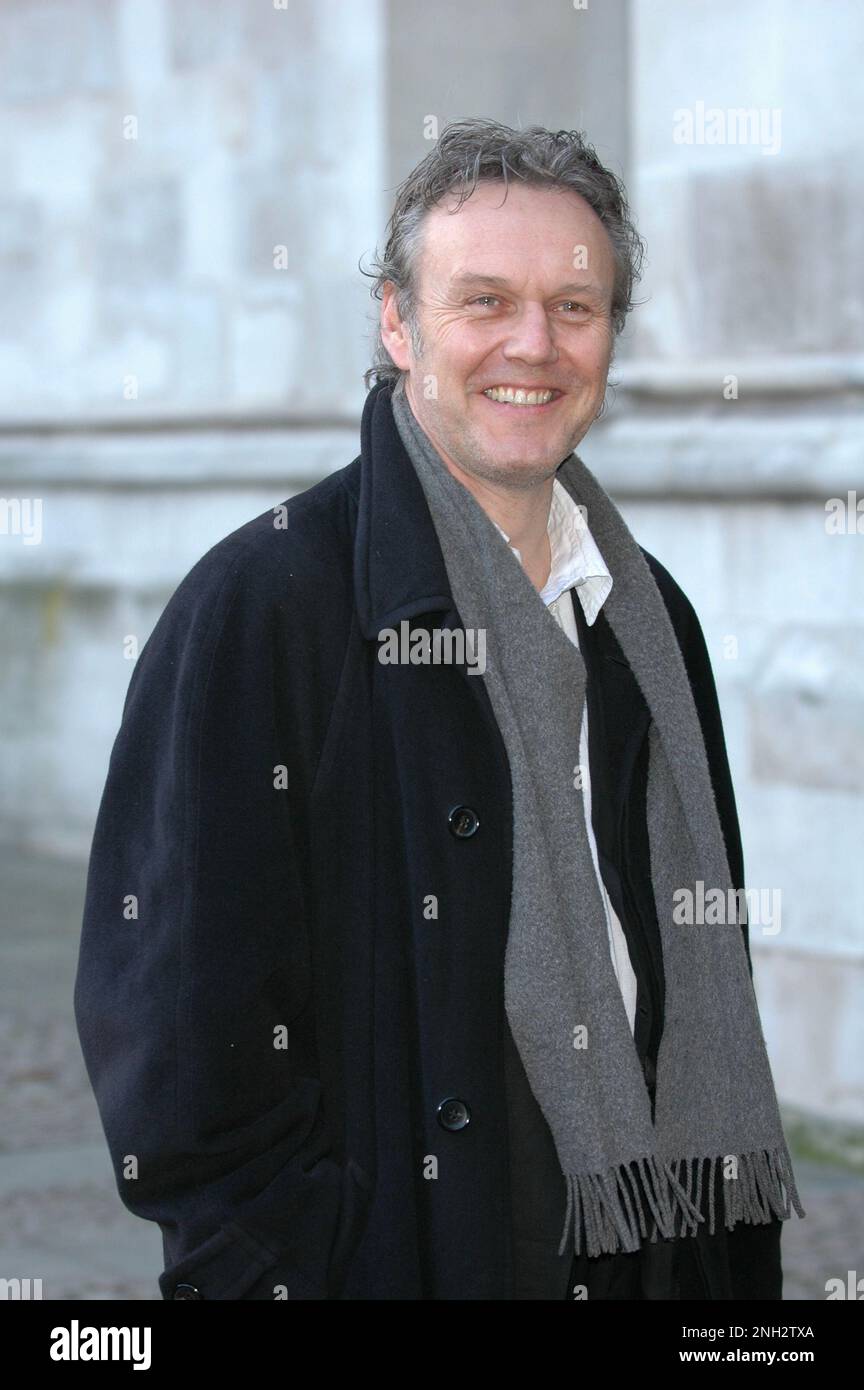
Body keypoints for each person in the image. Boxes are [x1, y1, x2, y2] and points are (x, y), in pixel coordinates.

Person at [74, 118, 804, 1301]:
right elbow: (175, 1043)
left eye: (576, 308)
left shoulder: (649, 619)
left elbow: (692, 962)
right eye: (483, 302)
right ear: (399, 324)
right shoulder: (264, 608)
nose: (535, 344)